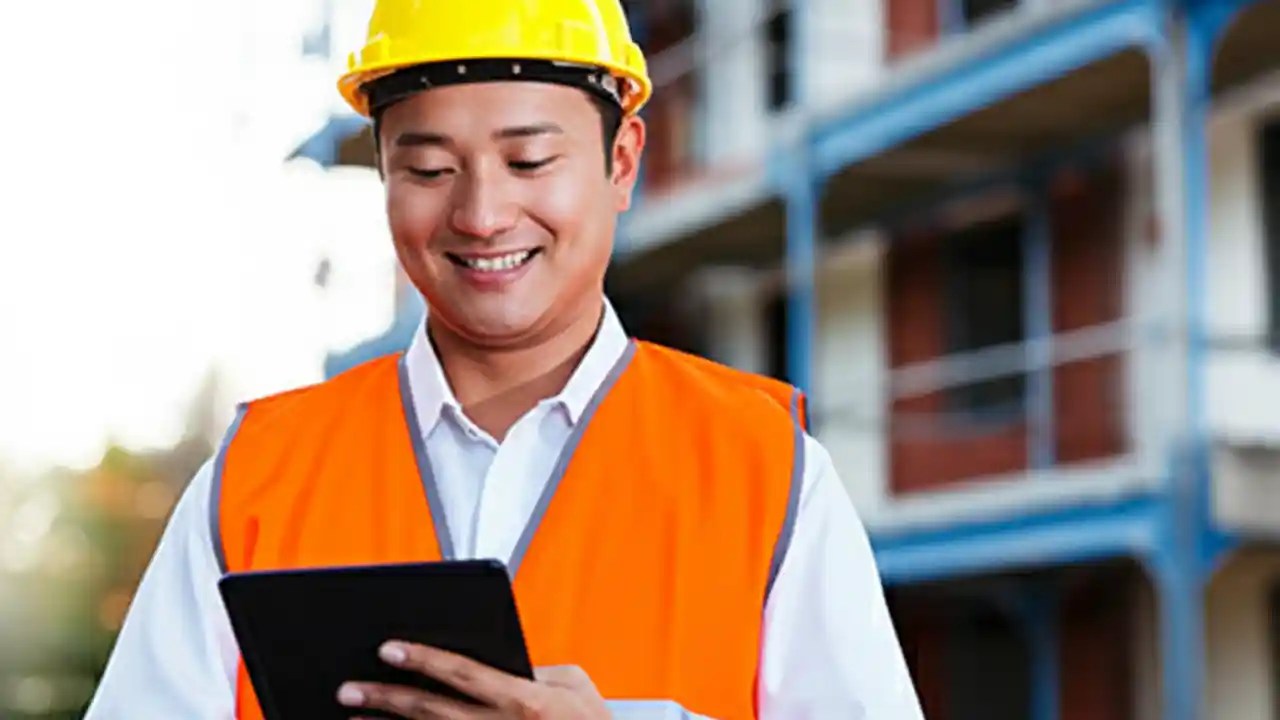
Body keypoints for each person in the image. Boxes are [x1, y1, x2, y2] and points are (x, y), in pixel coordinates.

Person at [84, 1, 923, 718]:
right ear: (382, 170)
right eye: (429, 168)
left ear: (621, 160)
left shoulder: (767, 471)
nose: (482, 214)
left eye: (529, 161)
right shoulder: (257, 479)